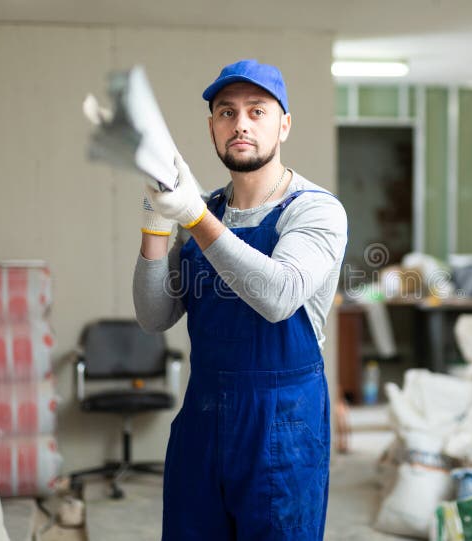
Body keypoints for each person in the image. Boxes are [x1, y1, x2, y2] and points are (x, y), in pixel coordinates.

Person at [132, 59, 348, 541]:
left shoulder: (315, 209)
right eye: (227, 113)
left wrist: (191, 216)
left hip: (283, 426)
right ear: (212, 127)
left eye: (257, 110)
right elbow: (152, 316)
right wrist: (155, 221)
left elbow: (278, 296)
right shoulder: (201, 210)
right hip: (203, 420)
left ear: (284, 124)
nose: (241, 123)